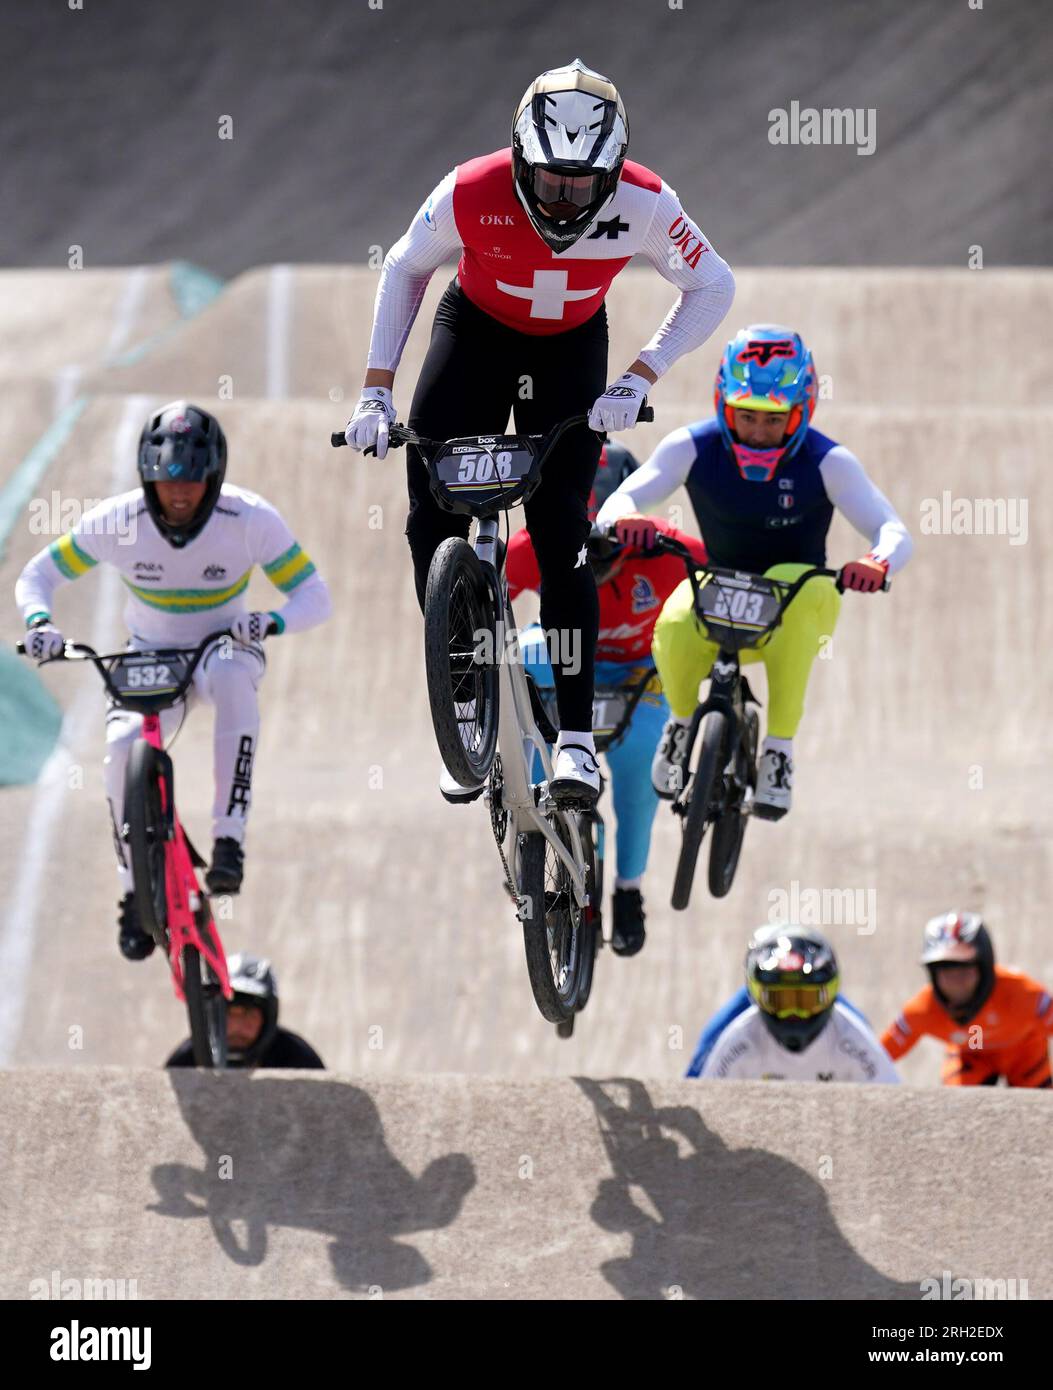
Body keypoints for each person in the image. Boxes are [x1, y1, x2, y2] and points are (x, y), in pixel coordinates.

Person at [341, 58, 735, 807]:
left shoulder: (649, 203)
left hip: (570, 350)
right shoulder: (469, 188)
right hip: (475, 335)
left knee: (561, 537)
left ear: (612, 171)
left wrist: (639, 377)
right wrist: (373, 394)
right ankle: (462, 697)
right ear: (520, 159)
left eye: (583, 184)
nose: (563, 199)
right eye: (550, 179)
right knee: (431, 512)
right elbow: (403, 268)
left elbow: (712, 283)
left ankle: (577, 746)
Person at [15, 401, 331, 960]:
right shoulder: (118, 521)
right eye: (166, 483)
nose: (179, 494)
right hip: (148, 654)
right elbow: (38, 574)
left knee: (236, 679)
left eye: (192, 481)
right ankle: (134, 893)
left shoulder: (250, 519)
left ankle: (229, 837)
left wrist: (270, 621)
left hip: (219, 648)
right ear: (147, 479)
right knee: (118, 749)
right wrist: (40, 623)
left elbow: (314, 594)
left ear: (215, 477)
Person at [596, 323, 913, 817]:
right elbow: (624, 497)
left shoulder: (830, 461)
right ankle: (680, 726)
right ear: (724, 406)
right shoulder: (690, 446)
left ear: (802, 411)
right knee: (673, 623)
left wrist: (876, 561)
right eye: (747, 418)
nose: (760, 433)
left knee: (792, 581)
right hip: (716, 589)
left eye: (774, 420)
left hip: (800, 598)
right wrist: (625, 518)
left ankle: (779, 753)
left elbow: (892, 530)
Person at [504, 440, 707, 955]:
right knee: (515, 653)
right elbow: (484, 606)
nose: (587, 571)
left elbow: (722, 580)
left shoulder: (662, 546)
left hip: (640, 676)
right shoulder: (532, 545)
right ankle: (530, 832)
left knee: (638, 780)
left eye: (599, 551)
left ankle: (629, 890)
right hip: (564, 660)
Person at [694, 924, 900, 1082]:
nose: (794, 1014)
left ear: (830, 996)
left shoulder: (854, 1040)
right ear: (755, 996)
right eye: (780, 1000)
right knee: (702, 1057)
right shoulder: (739, 1040)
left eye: (805, 1000)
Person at [881, 911, 1053, 1088]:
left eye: (964, 969)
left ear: (984, 967)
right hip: (971, 1058)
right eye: (946, 970)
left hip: (1025, 1056)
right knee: (957, 1103)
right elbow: (877, 1056)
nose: (956, 982)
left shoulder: (1026, 995)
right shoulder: (922, 1009)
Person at [166, 951, 324, 1069]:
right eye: (228, 1014)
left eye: (249, 1015)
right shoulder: (186, 1061)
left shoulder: (298, 1060)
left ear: (268, 1018)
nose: (237, 1027)